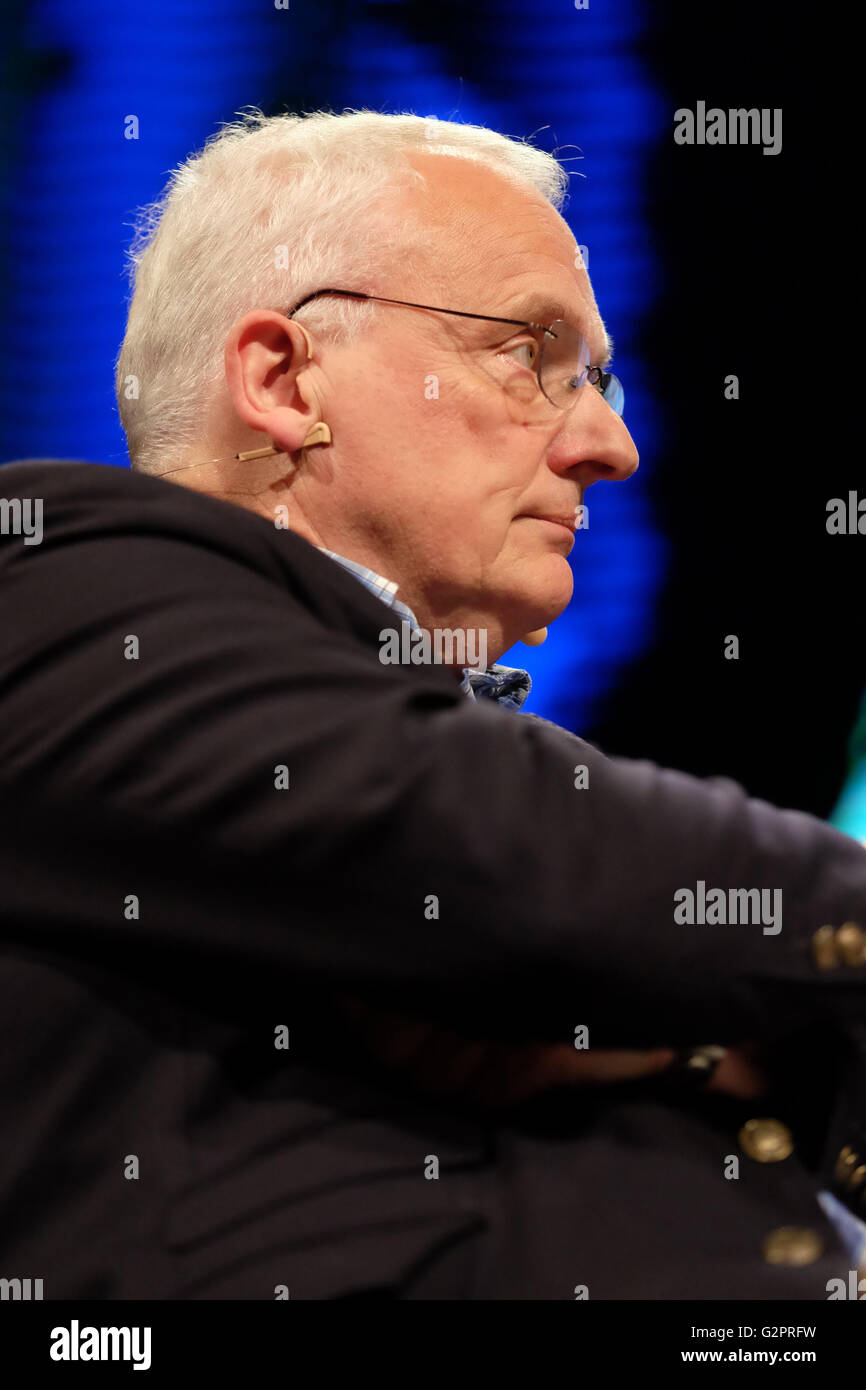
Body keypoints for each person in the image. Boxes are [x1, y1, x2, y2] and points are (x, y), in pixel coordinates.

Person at [1, 109, 864, 1300]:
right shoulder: (59, 579)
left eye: (597, 380)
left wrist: (725, 1036)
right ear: (283, 378)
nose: (611, 444)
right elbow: (521, 854)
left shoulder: (520, 784)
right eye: (529, 355)